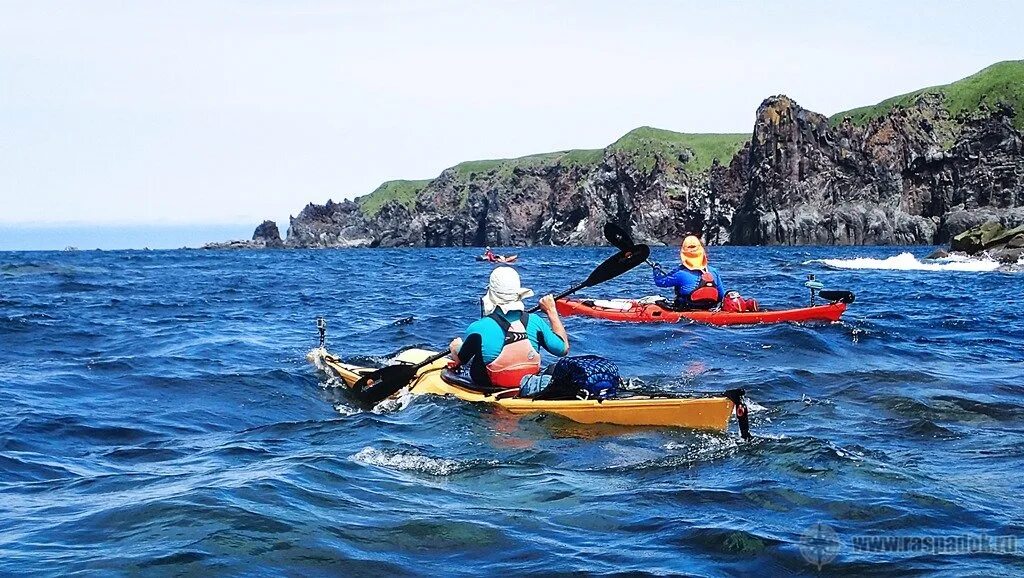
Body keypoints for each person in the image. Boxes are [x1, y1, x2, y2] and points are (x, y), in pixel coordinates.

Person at [448, 267, 569, 390]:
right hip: (526, 384)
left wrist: (455, 348)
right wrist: (551, 311)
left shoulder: (478, 327)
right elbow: (563, 349)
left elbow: (461, 360)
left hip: (489, 386)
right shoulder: (535, 321)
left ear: (490, 293)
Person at [653, 234, 726, 310]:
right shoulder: (713, 271)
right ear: (701, 252)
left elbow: (659, 282)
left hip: (688, 307)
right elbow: (721, 295)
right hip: (710, 307)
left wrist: (656, 270)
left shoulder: (680, 273)